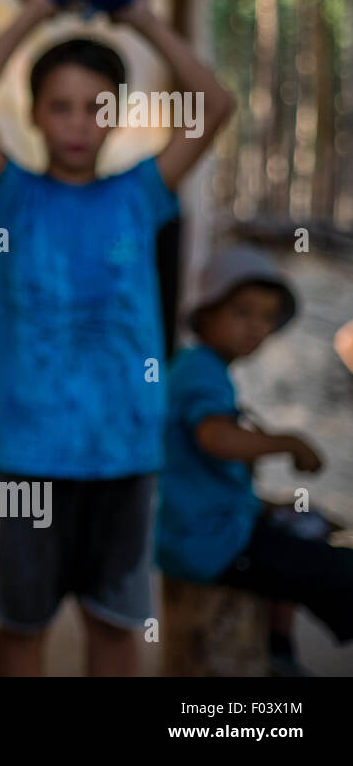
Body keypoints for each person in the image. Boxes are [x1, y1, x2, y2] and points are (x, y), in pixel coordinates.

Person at [0, 0, 236, 676]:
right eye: (61, 105)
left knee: (115, 626)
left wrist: (138, 16)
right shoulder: (8, 194)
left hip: (124, 451)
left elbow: (216, 100)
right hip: (29, 451)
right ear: (36, 113)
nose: (79, 122)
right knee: (23, 623)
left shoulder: (141, 192)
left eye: (98, 106)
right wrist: (35, 13)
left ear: (118, 115)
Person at [156, 245, 353, 673]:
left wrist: (265, 503)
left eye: (266, 318)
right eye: (242, 313)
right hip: (210, 545)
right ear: (205, 313)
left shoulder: (205, 369)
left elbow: (203, 477)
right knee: (336, 572)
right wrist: (289, 442)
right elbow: (216, 439)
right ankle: (280, 654)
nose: (256, 328)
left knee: (308, 527)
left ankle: (279, 647)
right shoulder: (199, 371)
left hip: (216, 528)